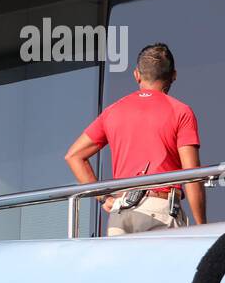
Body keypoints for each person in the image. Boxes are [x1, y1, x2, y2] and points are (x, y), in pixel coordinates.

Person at [64, 42, 206, 235]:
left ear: (136, 75)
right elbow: (191, 175)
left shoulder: (113, 111)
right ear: (173, 76)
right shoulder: (181, 111)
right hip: (159, 210)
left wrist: (104, 198)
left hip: (120, 214)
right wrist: (202, 227)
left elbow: (74, 156)